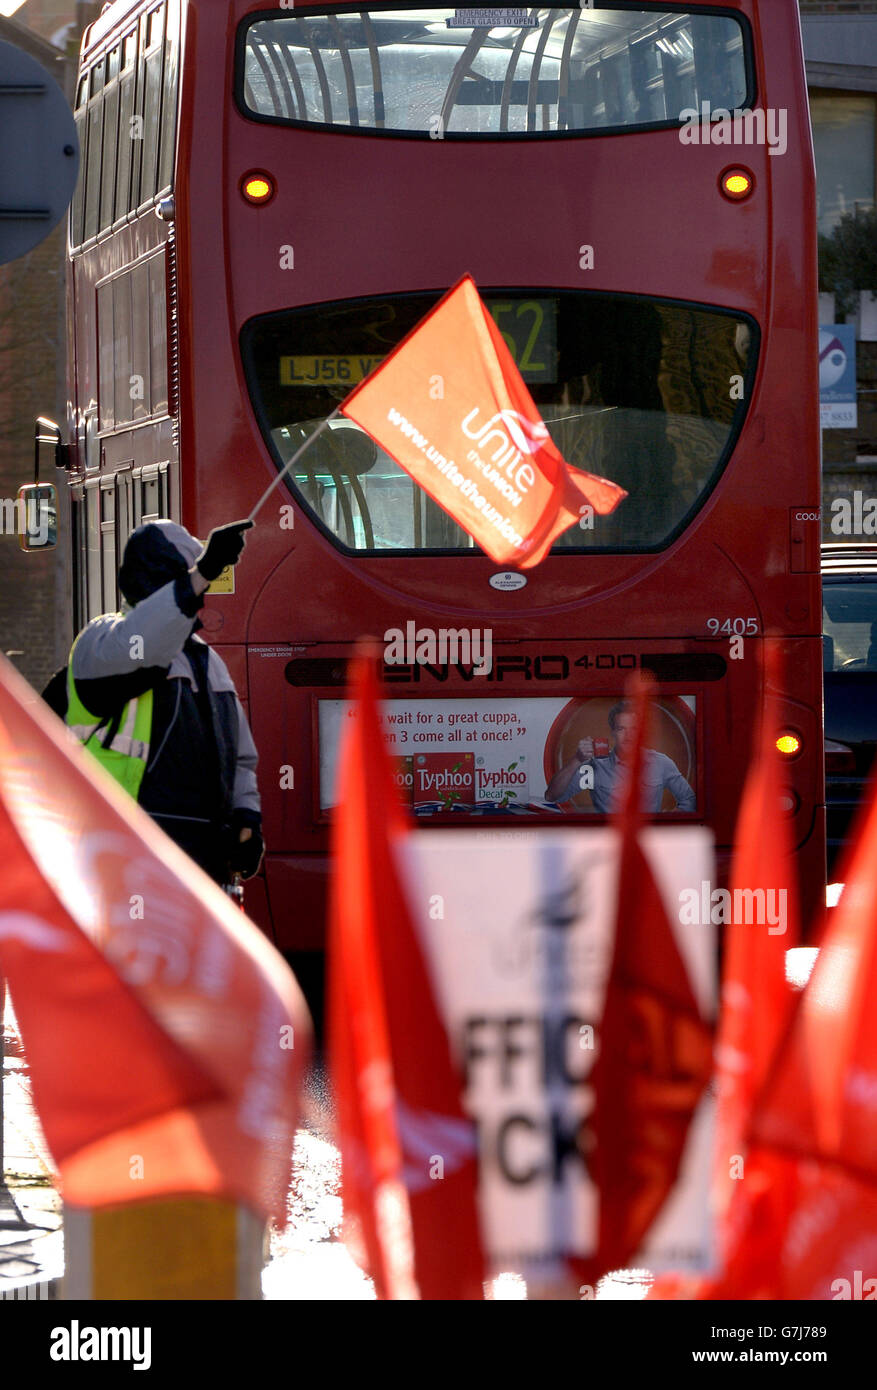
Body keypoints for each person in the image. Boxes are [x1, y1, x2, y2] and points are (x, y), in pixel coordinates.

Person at [56, 518, 263, 886]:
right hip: (123, 865)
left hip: (200, 874)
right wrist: (203, 574)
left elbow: (240, 760)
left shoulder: (207, 662)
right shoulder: (102, 643)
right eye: (186, 580)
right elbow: (146, 644)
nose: (197, 593)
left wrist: (247, 816)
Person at [545, 700, 696, 813]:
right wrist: (576, 760)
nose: (629, 736)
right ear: (613, 733)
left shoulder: (662, 763)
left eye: (634, 729)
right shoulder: (595, 767)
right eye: (621, 729)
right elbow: (552, 796)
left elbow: (689, 800)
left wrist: (664, 828)